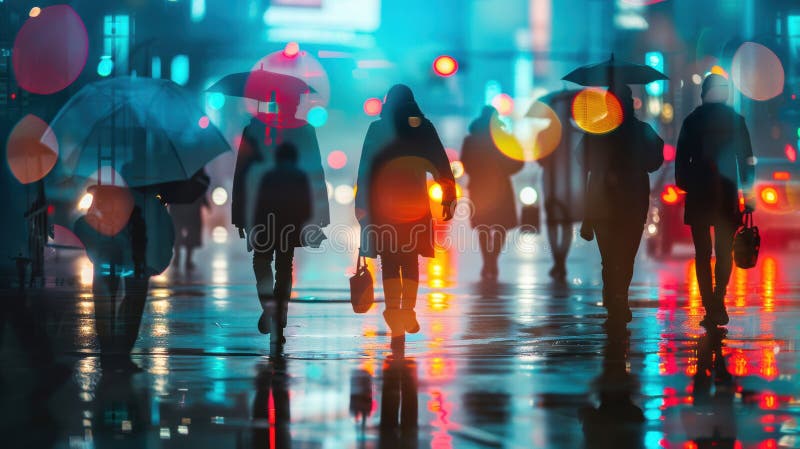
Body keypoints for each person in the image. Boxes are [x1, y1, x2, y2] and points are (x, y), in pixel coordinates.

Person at [355, 84, 456, 338]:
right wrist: (448, 198)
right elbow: (441, 164)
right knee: (410, 259)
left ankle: (392, 309)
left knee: (389, 260)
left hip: (383, 206)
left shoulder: (378, 129)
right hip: (415, 204)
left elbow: (365, 168)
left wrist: (361, 204)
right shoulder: (422, 128)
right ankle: (408, 311)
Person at [232, 87, 330, 344]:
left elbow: (241, 173)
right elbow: (315, 173)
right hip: (293, 209)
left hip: (260, 208)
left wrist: (239, 213)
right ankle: (279, 311)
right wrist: (321, 214)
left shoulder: (255, 129)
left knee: (261, 260)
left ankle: (269, 307)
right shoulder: (305, 131)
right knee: (285, 263)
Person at [579, 84, 663, 327]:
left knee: (609, 257)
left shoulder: (597, 130)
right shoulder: (642, 130)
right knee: (626, 256)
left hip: (602, 203)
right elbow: (655, 160)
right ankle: (619, 298)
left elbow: (581, 160)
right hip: (633, 202)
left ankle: (613, 299)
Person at [676, 73, 755, 327]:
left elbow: (681, 161)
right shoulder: (736, 121)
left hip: (699, 194)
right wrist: (748, 196)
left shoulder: (692, 121)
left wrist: (688, 183)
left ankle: (709, 305)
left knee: (702, 252)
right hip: (727, 193)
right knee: (724, 252)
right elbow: (746, 161)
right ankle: (719, 300)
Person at [251, 142, 312, 348]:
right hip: (289, 231)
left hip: (265, 230)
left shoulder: (268, 177)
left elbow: (258, 207)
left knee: (261, 265)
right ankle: (280, 312)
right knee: (284, 271)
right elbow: (307, 209)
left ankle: (269, 309)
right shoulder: (300, 177)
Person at [460, 106, 524, 280]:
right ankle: (493, 260)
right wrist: (504, 171)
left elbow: (465, 162)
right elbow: (519, 161)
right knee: (500, 226)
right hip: (501, 187)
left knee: (483, 226)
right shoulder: (504, 138)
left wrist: (478, 173)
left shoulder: (471, 140)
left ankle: (487, 260)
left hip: (479, 188)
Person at [536, 92, 585, 280]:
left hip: (551, 182)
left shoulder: (544, 134)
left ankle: (557, 259)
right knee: (565, 222)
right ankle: (561, 260)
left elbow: (540, 160)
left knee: (553, 221)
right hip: (572, 184)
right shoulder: (578, 133)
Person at [169, 193, 208, 271]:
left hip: (178, 209)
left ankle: (178, 259)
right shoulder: (196, 182)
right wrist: (205, 203)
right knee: (190, 236)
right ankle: (187, 261)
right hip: (192, 210)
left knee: (178, 234)